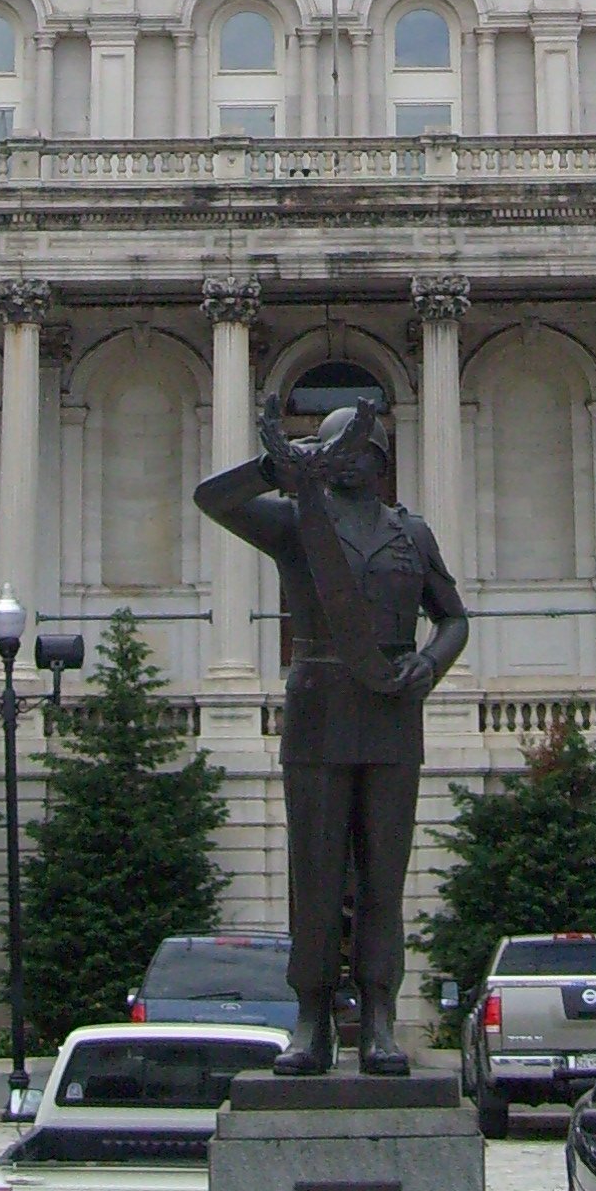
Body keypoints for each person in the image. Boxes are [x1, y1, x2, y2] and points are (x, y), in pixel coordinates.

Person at [196, 392, 468, 1075]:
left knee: (384, 876)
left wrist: (428, 665)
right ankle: (311, 1018)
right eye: (335, 453)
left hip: (391, 717)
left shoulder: (414, 534)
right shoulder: (297, 522)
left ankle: (379, 1017)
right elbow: (213, 499)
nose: (348, 464)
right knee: (314, 878)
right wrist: (277, 464)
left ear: (377, 460)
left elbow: (454, 617)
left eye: (355, 453)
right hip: (318, 711)